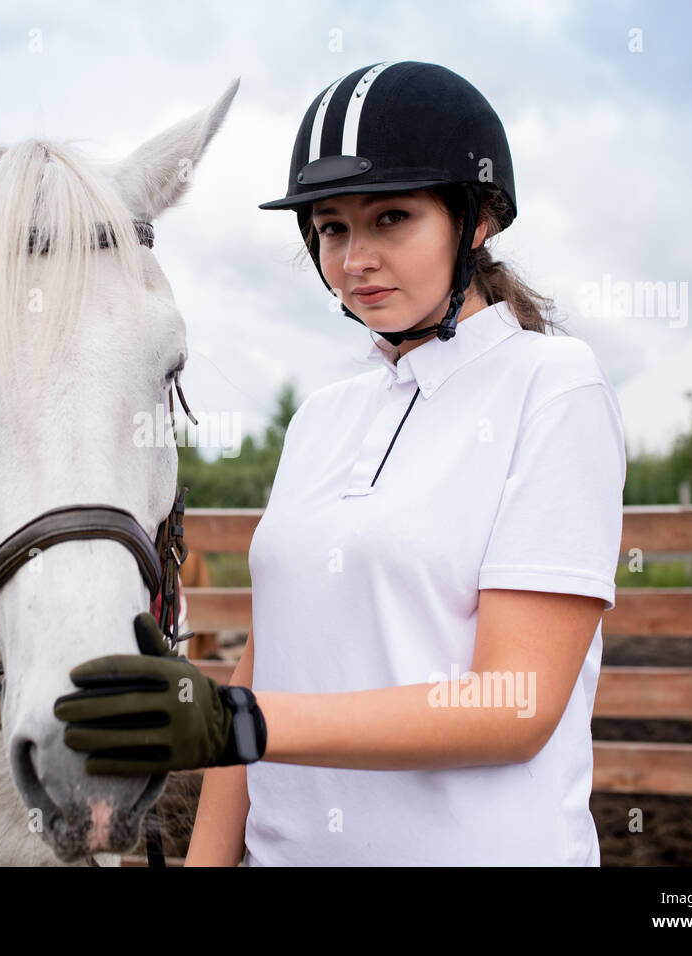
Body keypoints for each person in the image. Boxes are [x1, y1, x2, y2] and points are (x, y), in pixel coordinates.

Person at [54, 60, 626, 866]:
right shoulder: (324, 417)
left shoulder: (555, 387)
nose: (355, 257)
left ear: (478, 220)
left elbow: (517, 705)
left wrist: (239, 720)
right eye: (331, 228)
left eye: (391, 218)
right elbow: (271, 654)